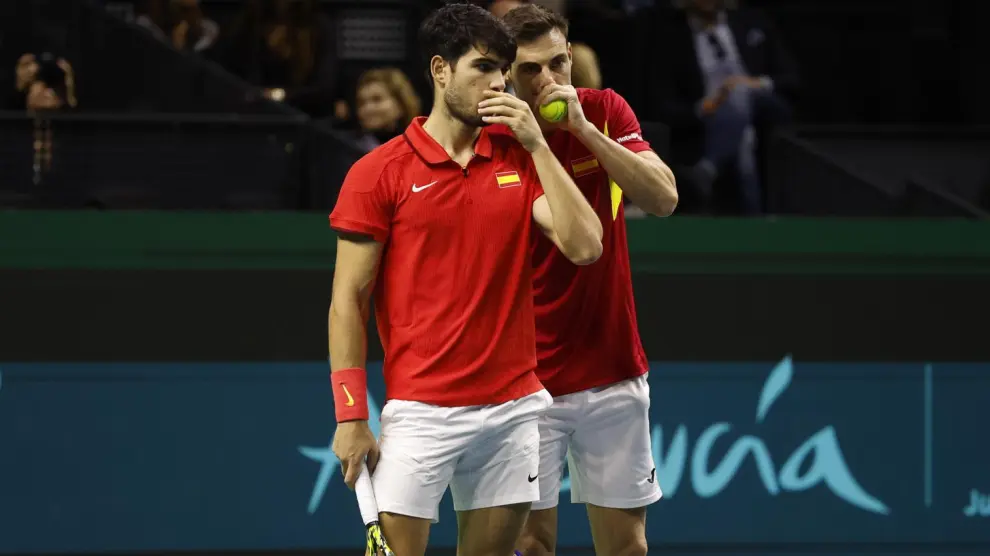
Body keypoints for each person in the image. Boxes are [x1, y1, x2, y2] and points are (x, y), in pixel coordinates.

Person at [327, 4, 603, 556]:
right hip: (421, 413)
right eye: (482, 66)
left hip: (513, 412)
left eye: (503, 68)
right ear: (440, 70)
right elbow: (347, 302)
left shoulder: (519, 160)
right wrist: (352, 413)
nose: (498, 81)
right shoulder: (377, 173)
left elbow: (585, 245)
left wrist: (537, 144)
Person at [499, 4, 678, 556]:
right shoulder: (492, 139)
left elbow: (664, 197)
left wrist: (580, 128)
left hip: (612, 368)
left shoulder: (604, 111)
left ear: (572, 56)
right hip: (526, 382)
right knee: (532, 544)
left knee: (628, 545)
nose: (548, 80)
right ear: (505, 73)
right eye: (531, 70)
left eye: (558, 63)